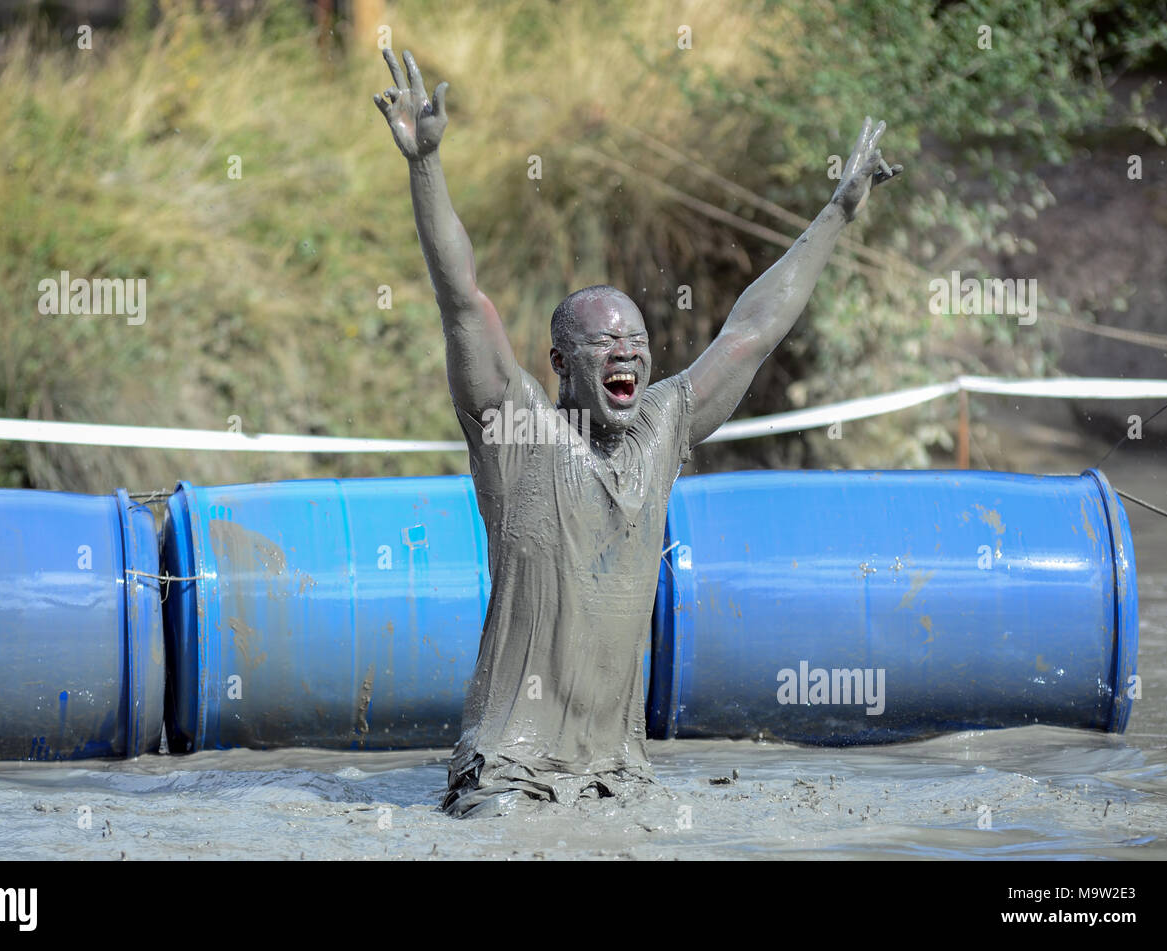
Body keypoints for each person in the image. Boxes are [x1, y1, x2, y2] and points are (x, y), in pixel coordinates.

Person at [372, 48, 902, 816]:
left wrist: (837, 215)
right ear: (557, 361)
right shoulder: (516, 432)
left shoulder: (664, 429)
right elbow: (461, 300)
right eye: (603, 345)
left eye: (637, 343)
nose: (627, 354)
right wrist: (426, 166)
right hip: (509, 780)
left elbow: (751, 331)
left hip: (620, 777)